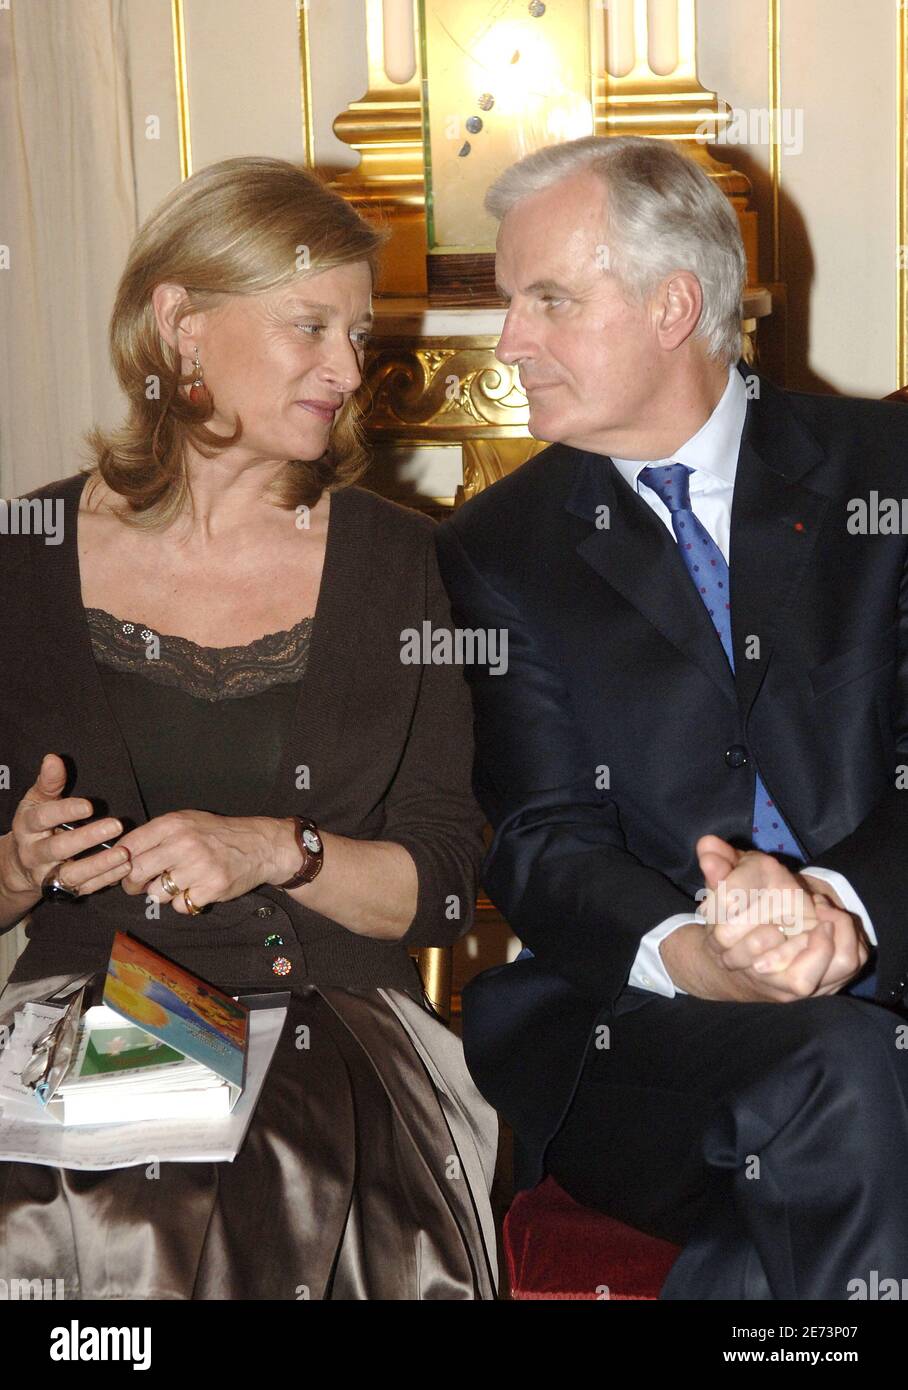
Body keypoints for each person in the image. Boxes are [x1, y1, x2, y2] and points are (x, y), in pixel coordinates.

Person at [0, 155, 497, 1300]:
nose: (345, 369)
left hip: (327, 1022)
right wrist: (22, 865)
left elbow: (444, 883)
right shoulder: (23, 556)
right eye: (308, 327)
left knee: (245, 1193)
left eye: (356, 334)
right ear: (180, 324)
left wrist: (279, 848)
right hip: (75, 1018)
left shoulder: (396, 564)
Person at [435, 134, 908, 1300]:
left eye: (547, 299)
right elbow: (540, 837)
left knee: (807, 1172)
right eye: (509, 303)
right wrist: (696, 955)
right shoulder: (494, 552)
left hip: (883, 978)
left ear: (671, 307)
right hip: (639, 1034)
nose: (508, 341)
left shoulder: (882, 475)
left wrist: (835, 903)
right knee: (842, 1068)